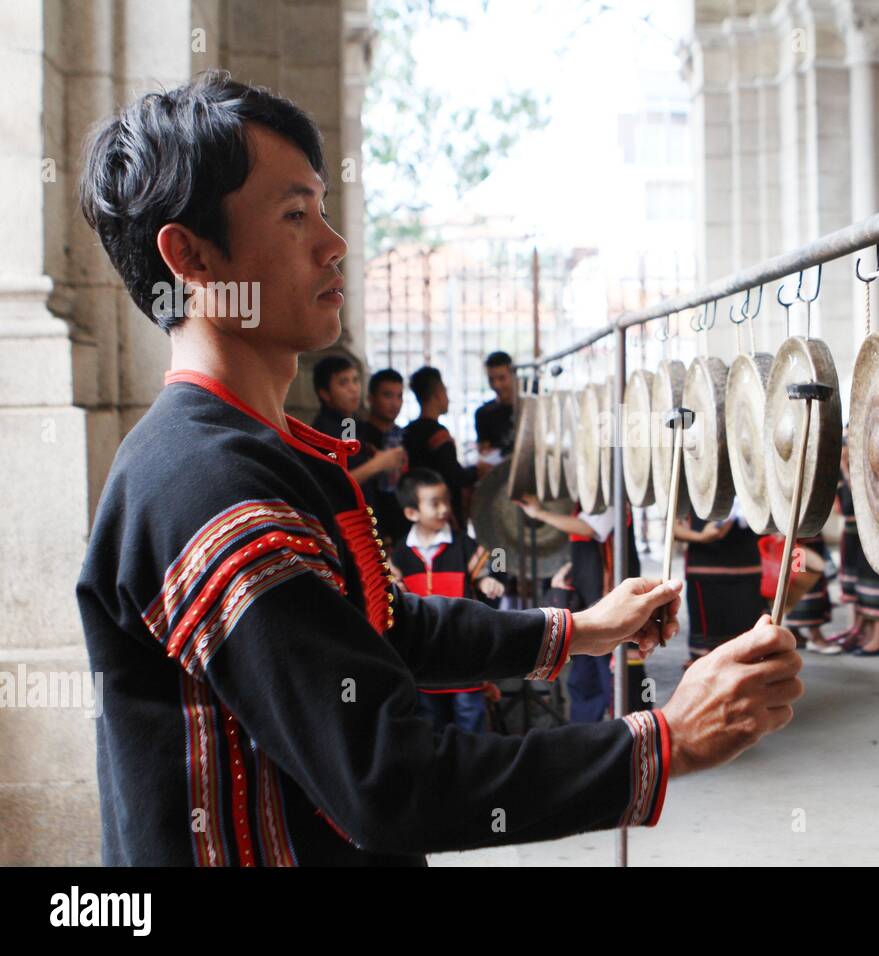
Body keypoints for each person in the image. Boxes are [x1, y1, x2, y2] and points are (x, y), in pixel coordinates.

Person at [75, 71, 802, 865]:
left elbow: (382, 627)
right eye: (294, 214)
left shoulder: (268, 454)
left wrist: (581, 632)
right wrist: (666, 741)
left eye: (323, 206)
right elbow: (391, 783)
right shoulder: (205, 489)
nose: (334, 242)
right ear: (191, 256)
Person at [390, 469, 505, 733]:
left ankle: (474, 771)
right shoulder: (399, 556)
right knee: (430, 721)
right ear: (411, 513)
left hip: (463, 649)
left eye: (446, 501)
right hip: (422, 655)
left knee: (470, 720)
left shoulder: (464, 544)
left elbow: (493, 565)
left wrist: (488, 580)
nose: (444, 509)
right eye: (435, 503)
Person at [516, 495, 646, 722]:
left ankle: (635, 742)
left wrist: (540, 513)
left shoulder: (610, 497)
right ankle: (586, 742)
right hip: (587, 607)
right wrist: (568, 569)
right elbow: (588, 547)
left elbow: (591, 529)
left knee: (620, 684)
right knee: (583, 682)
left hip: (612, 606)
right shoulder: (582, 503)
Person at [675, 510, 767, 664]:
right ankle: (703, 682)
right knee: (708, 647)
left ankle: (748, 683)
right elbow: (672, 526)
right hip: (707, 571)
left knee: (750, 641)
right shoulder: (685, 487)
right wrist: (701, 537)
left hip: (748, 569)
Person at [827, 458, 879, 656]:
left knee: (876, 585)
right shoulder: (846, 470)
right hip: (854, 535)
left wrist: (846, 469)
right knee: (860, 586)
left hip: (875, 535)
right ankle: (863, 632)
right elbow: (841, 507)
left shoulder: (874, 468)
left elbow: (858, 501)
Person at [311, 354, 407, 496]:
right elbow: (333, 485)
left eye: (355, 380)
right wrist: (378, 463)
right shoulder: (323, 432)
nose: (353, 389)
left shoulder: (348, 423)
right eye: (344, 383)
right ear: (325, 394)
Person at [402, 366, 474, 530]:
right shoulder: (438, 433)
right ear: (438, 394)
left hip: (419, 510)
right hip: (443, 514)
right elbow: (453, 475)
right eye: (445, 392)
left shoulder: (408, 431)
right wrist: (476, 470)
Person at [356, 368, 409, 546]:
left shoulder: (404, 436)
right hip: (368, 525)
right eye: (387, 395)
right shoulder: (358, 436)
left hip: (403, 525)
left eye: (399, 396)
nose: (395, 403)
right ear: (370, 398)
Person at [475, 351, 516, 463]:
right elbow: (485, 455)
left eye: (501, 378)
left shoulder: (529, 408)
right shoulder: (483, 414)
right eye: (491, 380)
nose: (496, 385)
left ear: (513, 375)